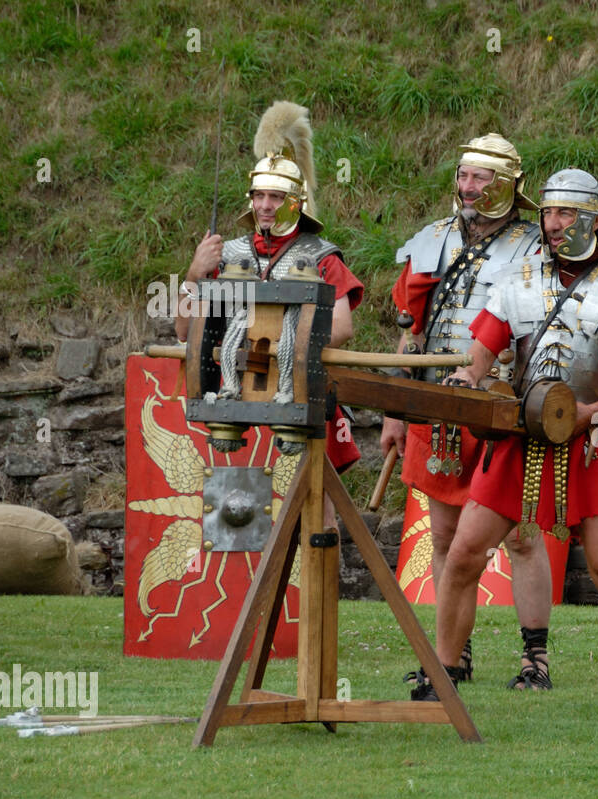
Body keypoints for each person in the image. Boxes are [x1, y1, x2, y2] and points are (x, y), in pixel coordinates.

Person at [428, 168, 598, 712]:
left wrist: (597, 410)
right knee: (466, 552)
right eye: (547, 212)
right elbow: (481, 356)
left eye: (566, 213)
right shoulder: (516, 280)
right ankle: (443, 674)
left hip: (586, 445)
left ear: (596, 219)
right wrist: (469, 381)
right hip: (517, 440)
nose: (553, 223)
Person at [380, 135, 556, 695]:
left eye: (481, 179)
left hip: (503, 406)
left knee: (522, 536)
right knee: (442, 534)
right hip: (436, 408)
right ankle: (452, 655)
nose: (469, 188)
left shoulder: (535, 248)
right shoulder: (430, 241)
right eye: (464, 176)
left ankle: (535, 659)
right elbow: (411, 330)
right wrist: (396, 408)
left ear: (506, 185)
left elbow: (545, 334)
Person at [175, 100, 362, 474]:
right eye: (259, 196)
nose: (265, 206)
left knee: (314, 500)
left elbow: (341, 328)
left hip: (298, 393)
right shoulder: (227, 255)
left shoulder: (320, 257)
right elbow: (184, 332)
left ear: (296, 202)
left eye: (275, 197)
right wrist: (194, 275)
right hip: (236, 396)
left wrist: (274, 354)